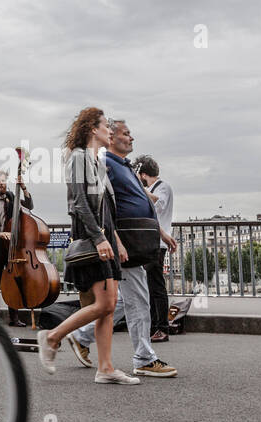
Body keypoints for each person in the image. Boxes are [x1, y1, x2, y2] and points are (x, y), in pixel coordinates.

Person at [64, 119, 178, 379]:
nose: (132, 138)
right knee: (137, 299)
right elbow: (102, 206)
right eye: (126, 133)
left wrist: (161, 233)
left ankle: (81, 337)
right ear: (111, 137)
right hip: (126, 242)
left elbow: (139, 202)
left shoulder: (124, 166)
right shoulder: (105, 165)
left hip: (133, 242)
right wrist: (115, 239)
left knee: (125, 300)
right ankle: (144, 358)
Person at [36, 109, 135, 384]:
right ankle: (53, 337)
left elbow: (105, 210)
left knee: (109, 305)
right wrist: (101, 239)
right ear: (93, 128)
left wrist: (116, 241)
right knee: (105, 303)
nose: (110, 131)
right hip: (93, 237)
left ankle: (105, 368)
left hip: (103, 237)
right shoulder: (79, 157)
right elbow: (79, 203)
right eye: (106, 126)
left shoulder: (96, 162)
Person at [0, 168, 33, 327]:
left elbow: (29, 205)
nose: (1, 184)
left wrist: (23, 188)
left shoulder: (11, 196)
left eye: (3, 181)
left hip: (12, 246)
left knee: (13, 280)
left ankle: (14, 318)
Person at [135, 155, 173, 342]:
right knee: (150, 286)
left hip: (157, 243)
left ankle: (162, 328)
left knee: (156, 286)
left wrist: (139, 189)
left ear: (143, 174)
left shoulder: (162, 187)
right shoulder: (150, 188)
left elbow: (159, 201)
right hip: (149, 242)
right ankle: (153, 326)